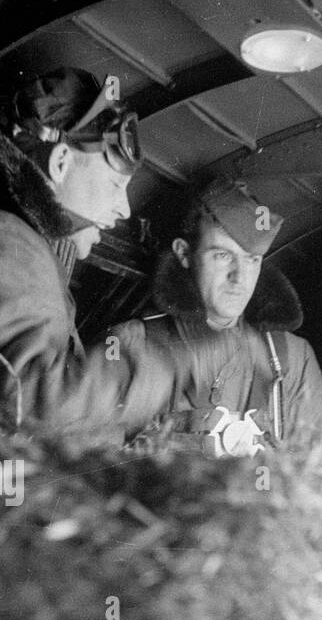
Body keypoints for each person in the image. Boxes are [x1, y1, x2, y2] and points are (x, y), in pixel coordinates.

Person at [0, 67, 206, 449]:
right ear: (60, 164)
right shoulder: (13, 244)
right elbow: (33, 404)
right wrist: (159, 368)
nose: (124, 209)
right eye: (115, 184)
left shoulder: (37, 257)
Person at [114, 177, 322, 456]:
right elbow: (84, 464)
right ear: (184, 253)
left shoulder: (292, 359)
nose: (239, 278)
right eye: (222, 255)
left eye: (252, 259)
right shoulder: (132, 344)